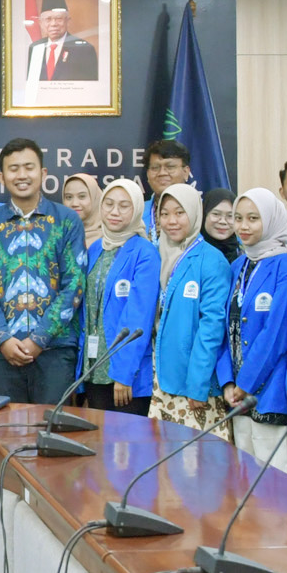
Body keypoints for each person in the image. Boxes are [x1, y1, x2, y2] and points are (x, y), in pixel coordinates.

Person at [0, 138, 85, 405]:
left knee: (52, 434)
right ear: (1, 177)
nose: (22, 175)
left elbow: (74, 286)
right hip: (1, 353)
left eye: (29, 167)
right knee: (3, 437)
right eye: (13, 168)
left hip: (54, 351)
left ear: (43, 173)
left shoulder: (66, 220)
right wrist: (4, 340)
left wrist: (39, 340)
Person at [220, 189, 287, 471]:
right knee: (245, 475)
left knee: (275, 477)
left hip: (270, 389)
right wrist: (228, 382)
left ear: (270, 220)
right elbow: (223, 328)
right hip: (236, 393)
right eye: (239, 218)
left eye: (253, 218)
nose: (243, 226)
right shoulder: (237, 265)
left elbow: (277, 333)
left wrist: (245, 382)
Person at [148, 183, 231, 428]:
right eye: (165, 214)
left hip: (193, 384)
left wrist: (197, 383)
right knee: (161, 460)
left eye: (179, 212)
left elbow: (212, 328)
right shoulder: (157, 254)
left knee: (198, 462)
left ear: (195, 213)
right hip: (161, 377)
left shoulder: (211, 260)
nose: (171, 221)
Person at [75, 179, 156, 413]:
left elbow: (139, 315)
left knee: (126, 448)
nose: (114, 212)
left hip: (123, 375)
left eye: (124, 205)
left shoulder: (144, 252)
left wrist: (124, 373)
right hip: (93, 368)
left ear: (137, 210)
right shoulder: (96, 248)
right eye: (108, 204)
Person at [24, 0, 97, 81]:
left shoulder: (85, 49)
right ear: (41, 23)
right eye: (48, 19)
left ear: (67, 21)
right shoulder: (35, 48)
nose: (53, 24)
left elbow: (90, 86)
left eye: (59, 19)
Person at [142, 140, 194, 238]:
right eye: (155, 167)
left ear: (186, 172)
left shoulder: (204, 213)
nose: (162, 173)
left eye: (170, 167)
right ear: (148, 174)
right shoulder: (136, 213)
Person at [62, 173, 104, 258]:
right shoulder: (57, 235)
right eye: (69, 197)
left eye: (82, 196)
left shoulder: (110, 237)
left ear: (95, 198)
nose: (74, 204)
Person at [200, 187, 239, 262]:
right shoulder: (191, 252)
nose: (223, 221)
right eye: (216, 214)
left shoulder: (245, 253)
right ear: (204, 215)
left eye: (230, 216)